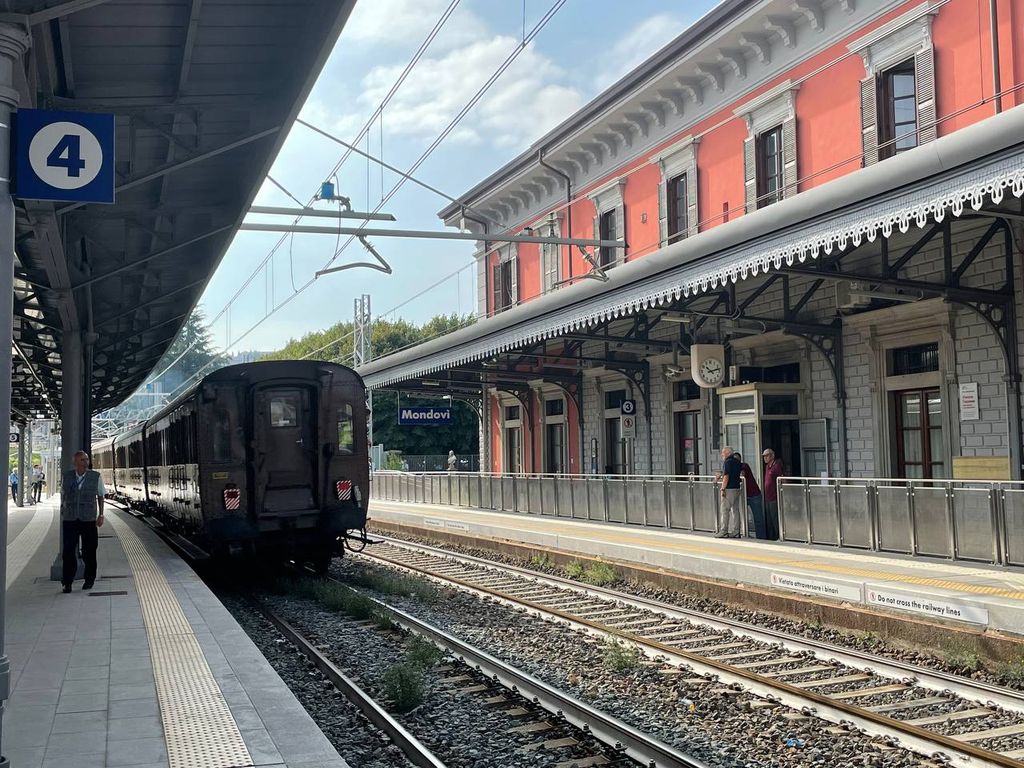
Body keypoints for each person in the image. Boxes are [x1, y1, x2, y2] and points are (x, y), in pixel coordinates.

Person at [60, 450, 105, 593]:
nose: (86, 462)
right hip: (70, 518)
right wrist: (62, 509)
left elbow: (101, 495)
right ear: (75, 462)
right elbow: (63, 494)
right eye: (82, 460)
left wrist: (101, 514)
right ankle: (67, 582)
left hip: (88, 519)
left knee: (89, 551)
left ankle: (89, 579)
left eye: (87, 460)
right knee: (68, 551)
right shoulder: (67, 476)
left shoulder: (95, 477)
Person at [733, 453, 765, 539]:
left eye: (736, 460)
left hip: (754, 495)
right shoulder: (735, 468)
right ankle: (744, 533)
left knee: (758, 518)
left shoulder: (744, 466)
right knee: (742, 516)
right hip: (744, 496)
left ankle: (761, 538)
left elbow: (742, 474)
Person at [717, 446, 743, 538]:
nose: (722, 455)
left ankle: (724, 531)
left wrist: (723, 488)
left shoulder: (727, 462)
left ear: (728, 453)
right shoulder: (737, 462)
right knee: (735, 510)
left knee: (725, 510)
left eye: (723, 453)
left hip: (729, 489)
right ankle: (736, 531)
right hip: (737, 488)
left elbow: (726, 476)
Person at [762, 448, 784, 541]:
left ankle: (778, 536)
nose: (765, 458)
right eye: (764, 456)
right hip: (767, 497)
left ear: (772, 456)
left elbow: (781, 479)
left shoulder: (776, 466)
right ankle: (771, 537)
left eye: (767, 456)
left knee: (775, 518)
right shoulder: (767, 466)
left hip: (774, 497)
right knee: (769, 519)